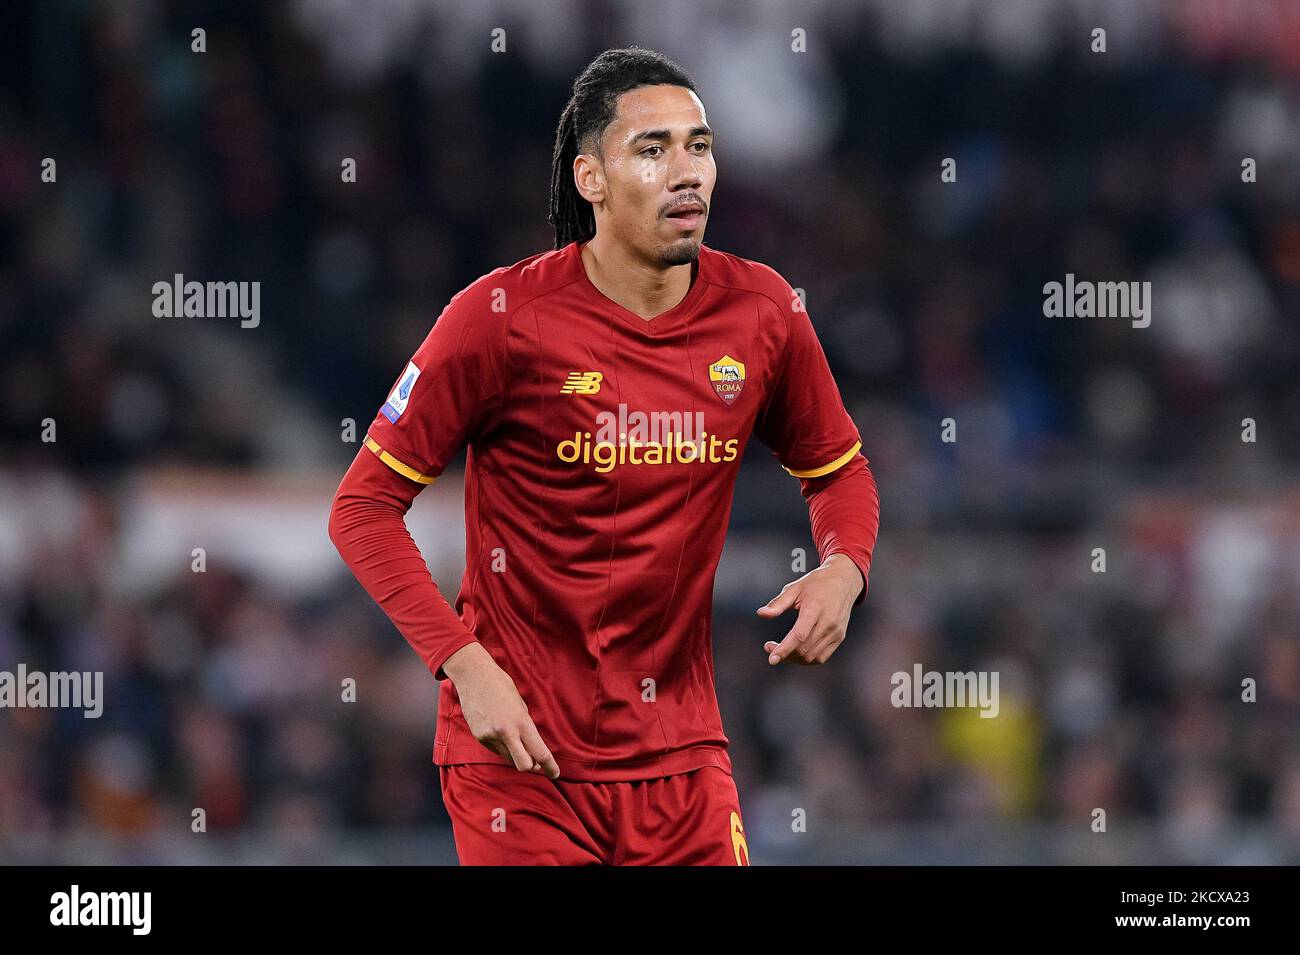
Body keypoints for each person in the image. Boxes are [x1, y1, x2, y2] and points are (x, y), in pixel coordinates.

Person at [328, 47, 880, 865]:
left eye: (699, 146)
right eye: (653, 149)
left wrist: (844, 567)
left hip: (682, 759)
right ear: (590, 178)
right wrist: (465, 665)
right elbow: (362, 509)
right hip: (521, 760)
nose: (686, 172)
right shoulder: (499, 318)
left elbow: (837, 469)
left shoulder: (763, 310)